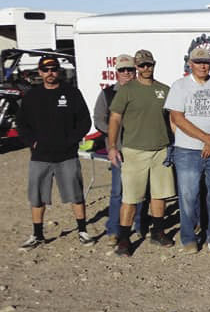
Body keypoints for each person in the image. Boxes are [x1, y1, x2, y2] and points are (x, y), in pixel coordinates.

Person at [165, 46, 210, 253]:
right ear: (190, 64)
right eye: (198, 62)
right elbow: (177, 118)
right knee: (189, 195)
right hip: (187, 150)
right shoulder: (179, 86)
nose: (203, 66)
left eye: (206, 62)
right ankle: (189, 238)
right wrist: (207, 139)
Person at [18, 55, 94, 249]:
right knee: (37, 196)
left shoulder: (71, 93)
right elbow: (21, 124)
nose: (50, 73)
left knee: (76, 194)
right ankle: (37, 234)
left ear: (58, 71)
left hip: (67, 155)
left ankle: (83, 231)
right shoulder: (32, 96)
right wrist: (32, 142)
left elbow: (85, 121)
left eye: (53, 69)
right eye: (46, 70)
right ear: (40, 72)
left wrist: (72, 140)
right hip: (40, 156)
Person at [108, 49, 176, 256]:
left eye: (149, 64)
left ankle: (158, 232)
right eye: (142, 65)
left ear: (154, 65)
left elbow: (172, 118)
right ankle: (124, 238)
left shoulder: (164, 89)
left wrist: (177, 142)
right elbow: (115, 118)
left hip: (160, 149)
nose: (146, 68)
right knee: (130, 198)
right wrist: (112, 146)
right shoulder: (127, 90)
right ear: (137, 67)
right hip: (134, 150)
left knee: (160, 194)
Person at [93, 54, 144, 245]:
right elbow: (98, 119)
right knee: (117, 192)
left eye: (130, 69)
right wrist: (114, 132)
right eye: (122, 70)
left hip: (140, 149)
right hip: (119, 150)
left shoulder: (142, 92)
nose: (126, 73)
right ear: (117, 73)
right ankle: (113, 230)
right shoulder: (108, 94)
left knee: (140, 191)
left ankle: (139, 226)